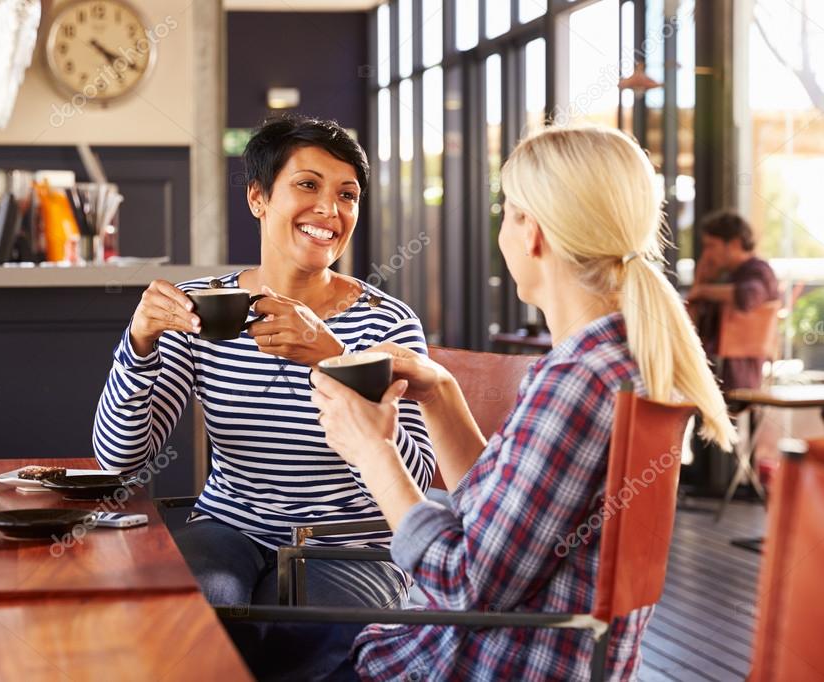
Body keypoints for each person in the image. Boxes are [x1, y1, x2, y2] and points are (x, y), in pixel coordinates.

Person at [310, 125, 736, 680]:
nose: (503, 232)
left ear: (531, 232)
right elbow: (497, 523)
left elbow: (464, 581)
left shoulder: (577, 381)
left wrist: (373, 452)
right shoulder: (621, 359)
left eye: (508, 212)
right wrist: (441, 396)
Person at [92, 116, 435, 678]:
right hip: (229, 527)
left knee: (306, 642)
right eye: (308, 185)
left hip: (349, 544)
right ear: (257, 197)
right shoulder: (203, 310)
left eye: (346, 194)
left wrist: (336, 358)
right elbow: (120, 464)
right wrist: (138, 345)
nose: (330, 209)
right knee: (185, 625)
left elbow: (416, 480)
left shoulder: (388, 323)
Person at [687, 209, 779, 391]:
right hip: (714, 370)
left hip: (734, 375)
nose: (706, 254)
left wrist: (703, 290)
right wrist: (701, 281)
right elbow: (693, 324)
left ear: (735, 244)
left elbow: (749, 297)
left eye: (711, 246)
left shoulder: (758, 270)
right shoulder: (727, 277)